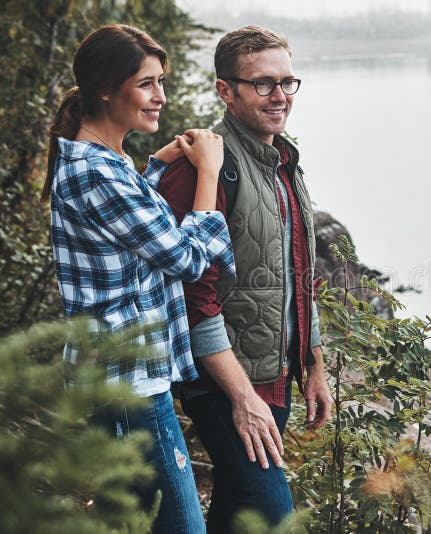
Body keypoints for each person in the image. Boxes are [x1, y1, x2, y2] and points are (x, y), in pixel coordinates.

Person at [42, 24, 235, 533]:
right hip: (126, 384)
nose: (160, 97)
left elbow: (125, 233)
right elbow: (188, 259)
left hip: (121, 378)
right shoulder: (97, 173)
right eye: (147, 83)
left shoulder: (105, 161)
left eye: (161, 82)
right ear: (106, 88)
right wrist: (209, 174)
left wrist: (156, 167)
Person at [157, 25, 333, 530]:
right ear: (225, 90)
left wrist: (313, 362)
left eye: (287, 82)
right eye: (262, 84)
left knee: (238, 511)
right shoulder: (202, 168)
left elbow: (298, 273)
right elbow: (194, 297)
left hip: (272, 379)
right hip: (224, 383)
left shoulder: (283, 162)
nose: (279, 96)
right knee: (274, 517)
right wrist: (241, 398)